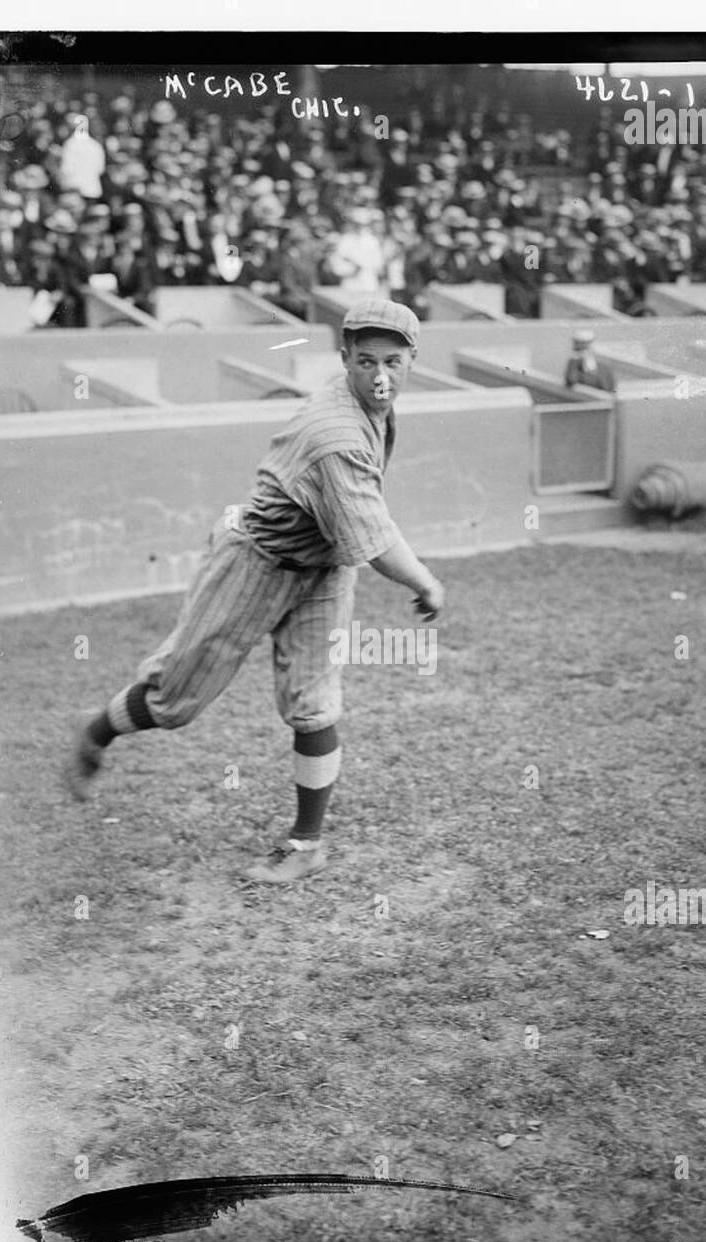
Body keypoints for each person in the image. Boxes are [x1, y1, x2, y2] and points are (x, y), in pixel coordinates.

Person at [65, 300, 445, 885]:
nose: (380, 376)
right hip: (257, 560)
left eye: (393, 361)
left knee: (315, 702)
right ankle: (97, 731)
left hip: (322, 565)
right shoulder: (335, 432)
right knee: (175, 701)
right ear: (343, 357)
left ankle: (305, 844)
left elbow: (358, 531)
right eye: (365, 361)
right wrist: (423, 579)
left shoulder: (373, 402)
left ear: (413, 359)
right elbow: (376, 540)